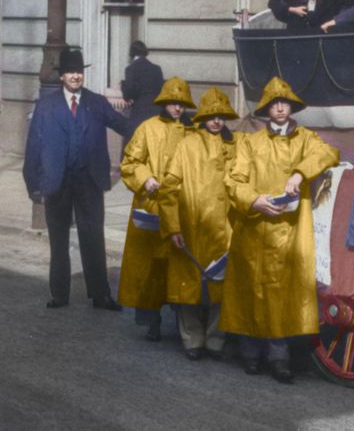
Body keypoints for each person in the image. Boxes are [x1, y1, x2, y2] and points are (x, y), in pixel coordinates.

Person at [221, 77, 339, 383]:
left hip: (289, 229)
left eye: (284, 102)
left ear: (292, 106)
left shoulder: (305, 139)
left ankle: (279, 356)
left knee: (280, 293)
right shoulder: (251, 142)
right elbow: (234, 180)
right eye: (274, 104)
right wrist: (253, 200)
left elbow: (329, 153)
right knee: (252, 288)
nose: (280, 108)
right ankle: (250, 352)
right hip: (255, 226)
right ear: (266, 110)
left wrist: (300, 173)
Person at [24, 49, 128, 310]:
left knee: (92, 237)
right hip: (57, 182)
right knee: (58, 241)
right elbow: (34, 146)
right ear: (62, 77)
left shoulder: (96, 102)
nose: (75, 76)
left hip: (89, 180)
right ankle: (59, 295)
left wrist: (154, 124)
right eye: (71, 72)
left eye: (79, 72)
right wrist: (33, 183)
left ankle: (100, 295)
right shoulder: (46, 106)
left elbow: (121, 124)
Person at [158, 87, 240, 361]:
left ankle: (216, 339)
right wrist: (172, 227)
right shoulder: (187, 145)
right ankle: (192, 338)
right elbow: (169, 188)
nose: (217, 121)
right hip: (191, 224)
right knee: (188, 282)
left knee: (221, 281)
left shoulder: (235, 144)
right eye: (211, 115)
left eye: (221, 115)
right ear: (202, 117)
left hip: (224, 225)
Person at [118, 77, 196, 341]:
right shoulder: (148, 128)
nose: (177, 108)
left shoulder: (193, 130)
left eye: (181, 103)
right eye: (173, 103)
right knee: (150, 267)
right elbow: (130, 162)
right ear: (164, 102)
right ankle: (151, 321)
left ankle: (182, 321)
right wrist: (145, 178)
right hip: (151, 205)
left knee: (178, 264)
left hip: (181, 206)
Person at [120, 40, 164, 151]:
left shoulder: (131, 69)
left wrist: (123, 85)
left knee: (133, 145)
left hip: (139, 112)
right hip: (157, 111)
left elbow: (128, 93)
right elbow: (161, 90)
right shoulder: (156, 69)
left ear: (132, 54)